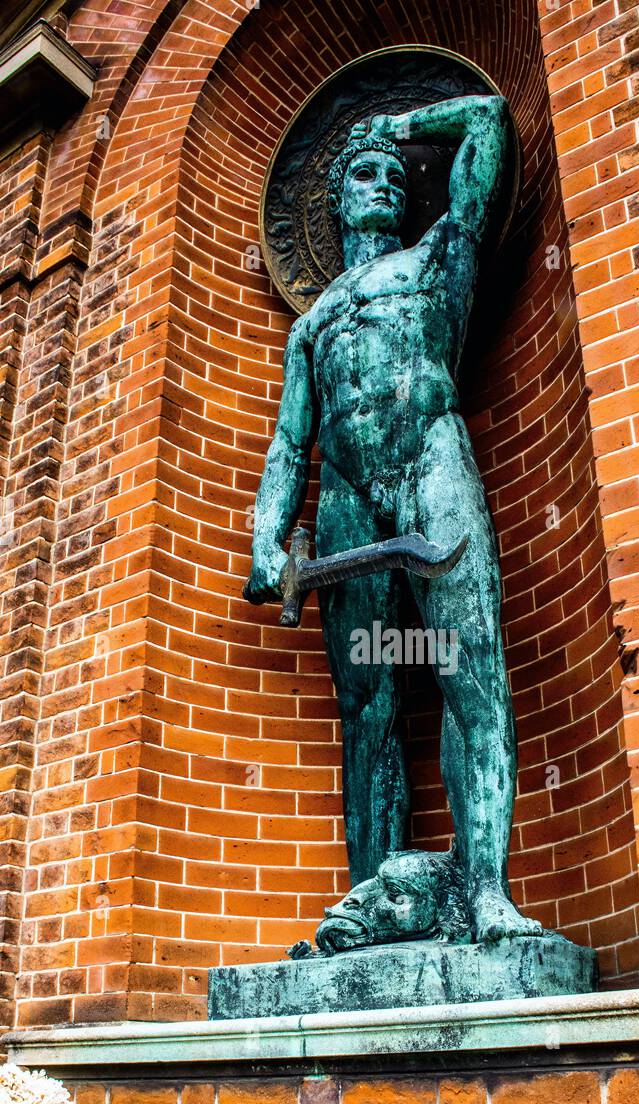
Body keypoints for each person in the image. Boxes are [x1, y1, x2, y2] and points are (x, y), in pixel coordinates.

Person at [245, 95, 541, 941]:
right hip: (346, 502)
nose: (377, 185)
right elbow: (287, 440)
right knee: (368, 707)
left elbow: (487, 118)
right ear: (337, 201)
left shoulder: (438, 254)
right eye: (359, 176)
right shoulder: (311, 321)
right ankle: (371, 905)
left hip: (428, 467)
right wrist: (267, 533)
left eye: (387, 177)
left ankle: (487, 893)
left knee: (466, 677)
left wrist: (397, 130)